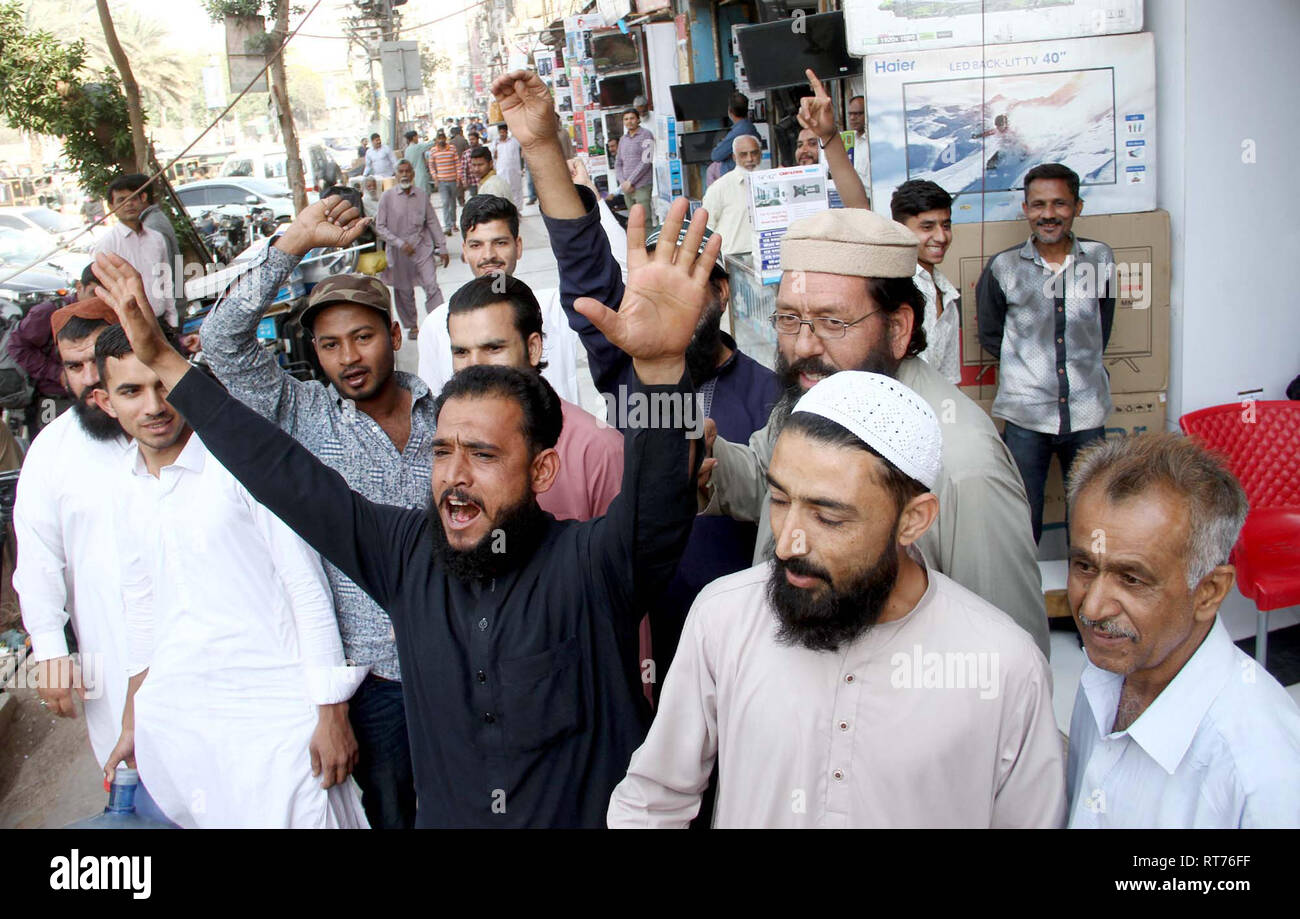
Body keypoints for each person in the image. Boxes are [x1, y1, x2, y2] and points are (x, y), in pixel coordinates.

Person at [92, 196, 716, 828]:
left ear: (542, 471)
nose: (455, 477)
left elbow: (658, 506)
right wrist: (169, 365)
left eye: (482, 454)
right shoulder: (405, 554)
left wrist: (662, 371)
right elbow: (281, 473)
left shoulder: (593, 566)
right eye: (442, 451)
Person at [610, 371, 1065, 828]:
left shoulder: (1004, 667)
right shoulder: (723, 618)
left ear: (913, 520)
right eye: (780, 500)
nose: (788, 544)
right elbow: (653, 802)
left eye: (828, 517)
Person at [494, 69, 782, 682]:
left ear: (723, 292)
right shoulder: (631, 369)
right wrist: (545, 149)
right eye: (651, 285)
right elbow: (584, 264)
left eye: (688, 282)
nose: (666, 306)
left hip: (750, 645)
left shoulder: (772, 394)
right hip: (646, 636)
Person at [701, 207, 1050, 658]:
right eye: (789, 319)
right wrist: (684, 426)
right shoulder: (820, 394)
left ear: (899, 327)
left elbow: (1012, 658)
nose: (804, 345)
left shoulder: (965, 465)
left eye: (833, 323)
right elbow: (759, 479)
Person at [198, 197, 441, 830]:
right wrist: (291, 245)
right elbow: (222, 344)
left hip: (457, 658)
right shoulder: (301, 415)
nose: (349, 358)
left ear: (393, 334)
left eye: (362, 337)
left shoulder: (448, 417)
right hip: (375, 685)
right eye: (330, 345)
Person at [91, 324, 367, 829]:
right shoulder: (120, 490)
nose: (154, 406)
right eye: (131, 391)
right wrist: (134, 717)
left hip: (279, 722)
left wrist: (331, 712)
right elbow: (142, 607)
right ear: (105, 401)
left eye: (162, 383)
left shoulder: (241, 462)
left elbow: (306, 584)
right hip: (187, 726)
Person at [1063, 433, 1300, 828]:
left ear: (1209, 591)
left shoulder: (1260, 767)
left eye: (1132, 579)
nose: (1092, 607)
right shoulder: (1105, 670)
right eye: (1084, 566)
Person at [13, 299, 171, 824]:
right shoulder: (51, 452)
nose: (86, 379)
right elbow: (38, 558)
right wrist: (51, 650)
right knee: (137, 789)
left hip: (193, 647)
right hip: (111, 651)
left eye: (94, 362)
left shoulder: (172, 423)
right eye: (73, 366)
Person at [976, 162, 1115, 544]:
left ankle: (1086, 602)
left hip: (1086, 414)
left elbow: (1101, 325)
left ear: (1078, 207)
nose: (1048, 214)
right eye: (1038, 205)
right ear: (1025, 209)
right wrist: (1034, 367)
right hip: (1026, 418)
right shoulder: (1004, 267)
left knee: (1091, 517)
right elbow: (990, 333)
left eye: (1059, 204)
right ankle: (1021, 603)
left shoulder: (1100, 259)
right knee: (1022, 517)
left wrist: (1075, 365)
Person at [446, 275, 622, 521]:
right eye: (462, 352)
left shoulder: (599, 452)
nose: (475, 367)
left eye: (493, 348)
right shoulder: (443, 445)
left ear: (533, 348)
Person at [417, 194, 585, 404]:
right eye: (476, 245)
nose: (489, 255)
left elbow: (607, 279)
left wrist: (586, 199)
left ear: (518, 246)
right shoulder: (436, 324)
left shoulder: (556, 309)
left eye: (500, 242)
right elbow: (433, 411)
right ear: (465, 251)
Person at [892, 180, 959, 384]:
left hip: (935, 411)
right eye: (927, 226)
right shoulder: (893, 286)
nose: (941, 236)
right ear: (900, 229)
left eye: (946, 225)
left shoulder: (946, 294)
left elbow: (949, 380)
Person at [376, 159, 450, 339]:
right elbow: (380, 227)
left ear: (413, 174)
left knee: (431, 285)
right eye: (401, 171)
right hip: (399, 252)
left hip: (422, 248)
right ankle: (412, 326)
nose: (404, 174)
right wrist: (400, 243)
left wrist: (442, 246)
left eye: (408, 171)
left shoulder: (422, 195)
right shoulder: (387, 197)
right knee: (404, 291)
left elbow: (432, 221)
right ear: (395, 175)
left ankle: (438, 321)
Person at [92, 174, 176, 330]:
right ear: (111, 206)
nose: (129, 204)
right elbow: (103, 289)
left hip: (163, 322)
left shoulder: (157, 238)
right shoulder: (106, 244)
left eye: (133, 199)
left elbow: (166, 280)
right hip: (131, 325)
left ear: (141, 200)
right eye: (121, 200)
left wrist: (173, 320)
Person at [702, 135, 762, 257]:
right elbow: (707, 228)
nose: (750, 159)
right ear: (734, 157)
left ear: (760, 154)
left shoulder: (771, 183)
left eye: (754, 153)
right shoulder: (720, 188)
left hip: (765, 256)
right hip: (732, 259)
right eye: (743, 154)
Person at [614, 108, 655, 229]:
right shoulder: (623, 139)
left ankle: (649, 247)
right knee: (634, 221)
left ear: (638, 119)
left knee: (645, 219)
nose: (629, 121)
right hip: (627, 188)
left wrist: (630, 181)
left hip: (642, 185)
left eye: (632, 118)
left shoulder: (646, 134)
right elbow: (618, 163)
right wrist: (623, 183)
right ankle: (638, 246)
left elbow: (646, 161)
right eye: (626, 119)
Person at [710, 92, 762, 177]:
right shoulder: (747, 127)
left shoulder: (740, 131)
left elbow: (716, 155)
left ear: (730, 111)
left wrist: (721, 144)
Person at [428, 131, 461, 236]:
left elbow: (457, 163)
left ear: (445, 138)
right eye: (439, 138)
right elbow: (431, 166)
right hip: (442, 181)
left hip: (452, 180)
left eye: (443, 138)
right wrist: (435, 177)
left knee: (452, 203)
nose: (441, 140)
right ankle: (447, 226)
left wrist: (458, 177)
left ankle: (453, 223)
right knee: (445, 202)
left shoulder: (452, 148)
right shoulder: (433, 151)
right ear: (436, 139)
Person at [493, 124, 524, 207]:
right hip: (501, 171)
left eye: (503, 132)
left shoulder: (513, 141)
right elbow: (494, 157)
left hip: (514, 170)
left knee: (516, 189)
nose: (502, 134)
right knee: (504, 190)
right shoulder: (496, 143)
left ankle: (517, 209)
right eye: (500, 132)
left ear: (507, 132)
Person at [402, 130, 435, 196]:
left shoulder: (407, 150)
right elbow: (430, 144)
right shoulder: (417, 147)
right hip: (421, 174)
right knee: (424, 193)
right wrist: (434, 139)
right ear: (414, 137)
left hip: (413, 175)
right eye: (417, 137)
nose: (418, 139)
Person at [847, 94, 870, 189]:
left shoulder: (874, 142)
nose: (852, 118)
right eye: (850, 114)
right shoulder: (848, 140)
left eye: (858, 114)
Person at [459, 130, 482, 198]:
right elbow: (463, 169)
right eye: (470, 140)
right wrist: (464, 181)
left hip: (484, 180)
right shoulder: (466, 153)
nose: (471, 141)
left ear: (477, 139)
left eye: (473, 139)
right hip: (472, 182)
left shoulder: (484, 150)